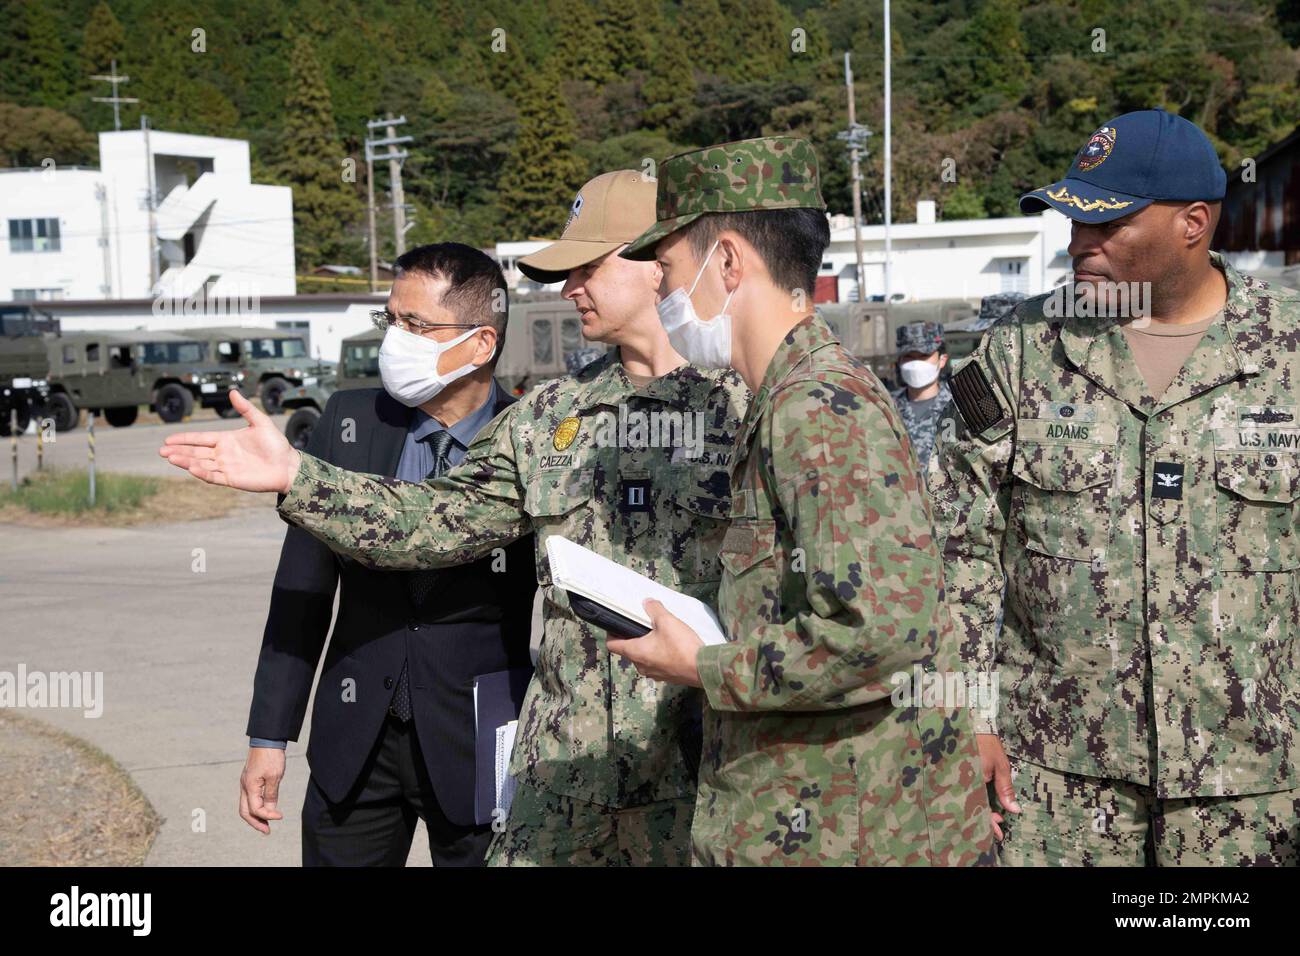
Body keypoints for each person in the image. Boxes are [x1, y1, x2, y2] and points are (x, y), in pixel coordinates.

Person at [160, 169, 750, 866]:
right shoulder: (550, 418)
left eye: (587, 268)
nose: (569, 289)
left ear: (658, 262)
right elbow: (437, 517)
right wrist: (299, 476)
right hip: (569, 786)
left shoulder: (747, 406)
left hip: (707, 774)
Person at [605, 136, 995, 866]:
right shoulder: (792, 395)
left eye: (668, 271)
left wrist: (704, 664)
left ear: (727, 262)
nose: (662, 296)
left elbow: (879, 633)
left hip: (850, 833)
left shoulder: (814, 408)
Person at [930, 108, 1300, 865]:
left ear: (1193, 223)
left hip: (1255, 782)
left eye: (1108, 226)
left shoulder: (1289, 353)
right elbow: (953, 550)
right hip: (1062, 782)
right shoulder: (1023, 350)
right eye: (1073, 223)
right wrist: (964, 719)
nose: (1078, 246)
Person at [241, 243, 536, 865]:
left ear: (481, 344)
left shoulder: (531, 437)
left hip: (480, 739)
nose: (395, 339)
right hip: (356, 741)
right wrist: (269, 737)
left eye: (416, 325)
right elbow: (302, 589)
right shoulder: (350, 420)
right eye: (391, 320)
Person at [889, 321, 950, 473]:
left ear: (942, 360)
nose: (916, 364)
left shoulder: (958, 406)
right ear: (900, 361)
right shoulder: (886, 407)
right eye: (909, 356)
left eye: (923, 356)